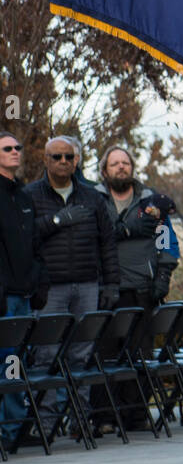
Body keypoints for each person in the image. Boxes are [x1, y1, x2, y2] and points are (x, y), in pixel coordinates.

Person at [26, 136, 120, 440]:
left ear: (76, 160)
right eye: (56, 157)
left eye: (69, 156)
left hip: (87, 286)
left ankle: (81, 420)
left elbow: (108, 244)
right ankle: (47, 424)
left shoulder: (93, 197)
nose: (63, 162)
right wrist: (56, 220)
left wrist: (112, 284)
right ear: (45, 160)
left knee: (81, 355)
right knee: (46, 357)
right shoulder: (30, 196)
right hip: (50, 289)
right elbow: (24, 239)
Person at [92, 145, 179, 431]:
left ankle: (136, 414)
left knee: (140, 355)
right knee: (105, 354)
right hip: (105, 290)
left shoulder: (150, 201)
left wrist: (163, 276)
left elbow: (166, 240)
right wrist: (126, 231)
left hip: (143, 289)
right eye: (114, 163)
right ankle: (105, 417)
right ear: (105, 170)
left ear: (132, 167)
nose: (121, 167)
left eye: (125, 163)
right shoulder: (94, 199)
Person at [0, 131, 49, 451]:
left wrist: (37, 281)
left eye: (18, 147)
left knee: (16, 365)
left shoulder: (23, 195)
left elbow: (34, 245)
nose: (16, 152)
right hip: (4, 299)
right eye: (8, 148)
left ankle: (13, 431)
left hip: (25, 297)